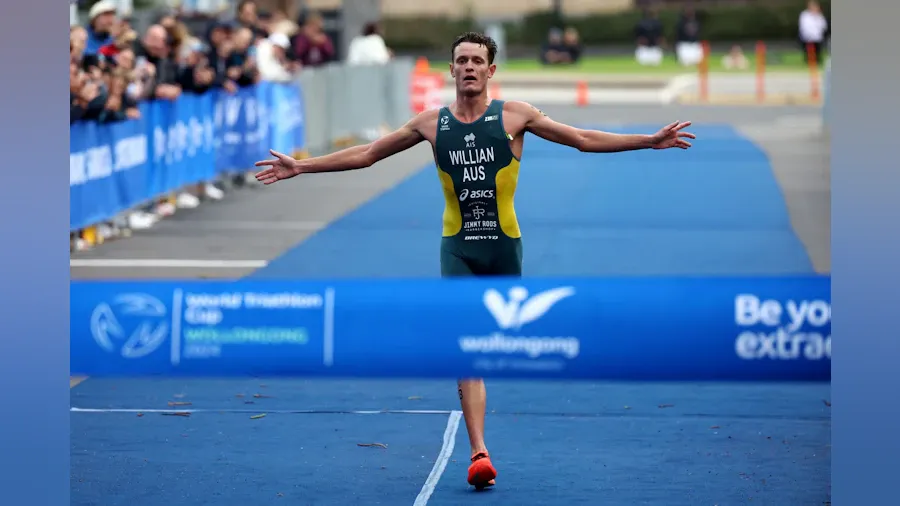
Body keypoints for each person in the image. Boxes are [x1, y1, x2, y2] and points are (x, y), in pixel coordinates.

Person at [253, 31, 695, 490]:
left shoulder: (516, 115)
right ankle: (479, 451)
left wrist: (648, 140)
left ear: (490, 71)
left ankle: (482, 417)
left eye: (476, 60)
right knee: (468, 347)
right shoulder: (431, 124)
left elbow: (581, 138)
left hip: (504, 249)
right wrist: (302, 166)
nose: (468, 66)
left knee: (499, 344)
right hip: (458, 249)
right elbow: (367, 154)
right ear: (451, 69)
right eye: (461, 59)